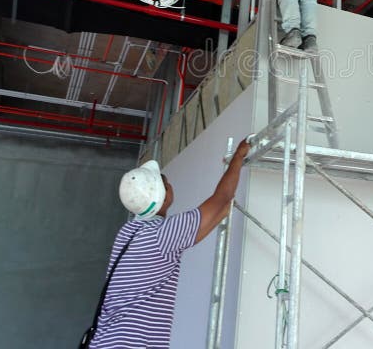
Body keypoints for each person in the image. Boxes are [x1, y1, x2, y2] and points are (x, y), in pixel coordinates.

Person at [87, 139, 250, 349]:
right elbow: (221, 200)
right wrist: (237, 157)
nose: (171, 185)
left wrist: (221, 210)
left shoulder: (127, 234)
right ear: (163, 198)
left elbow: (216, 212)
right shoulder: (162, 236)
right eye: (166, 183)